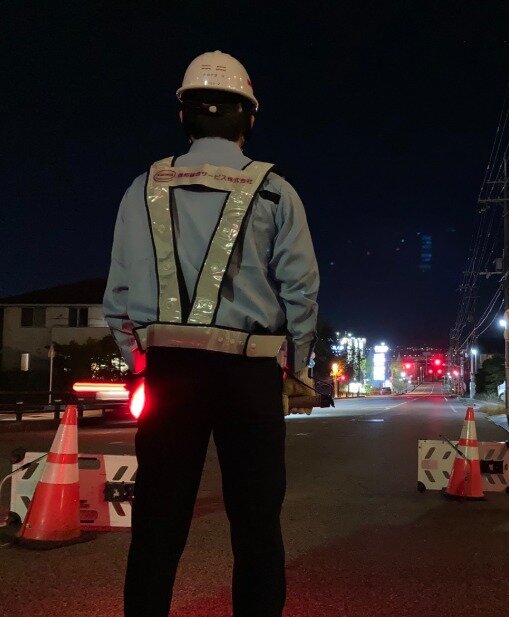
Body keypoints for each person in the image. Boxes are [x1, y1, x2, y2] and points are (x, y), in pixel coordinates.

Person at [103, 50, 319, 616]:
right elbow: (300, 293)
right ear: (249, 118)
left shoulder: (142, 189)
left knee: (157, 522)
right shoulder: (275, 191)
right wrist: (295, 370)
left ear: (184, 116)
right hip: (250, 374)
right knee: (256, 526)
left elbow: (119, 298)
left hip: (169, 376)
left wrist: (141, 363)